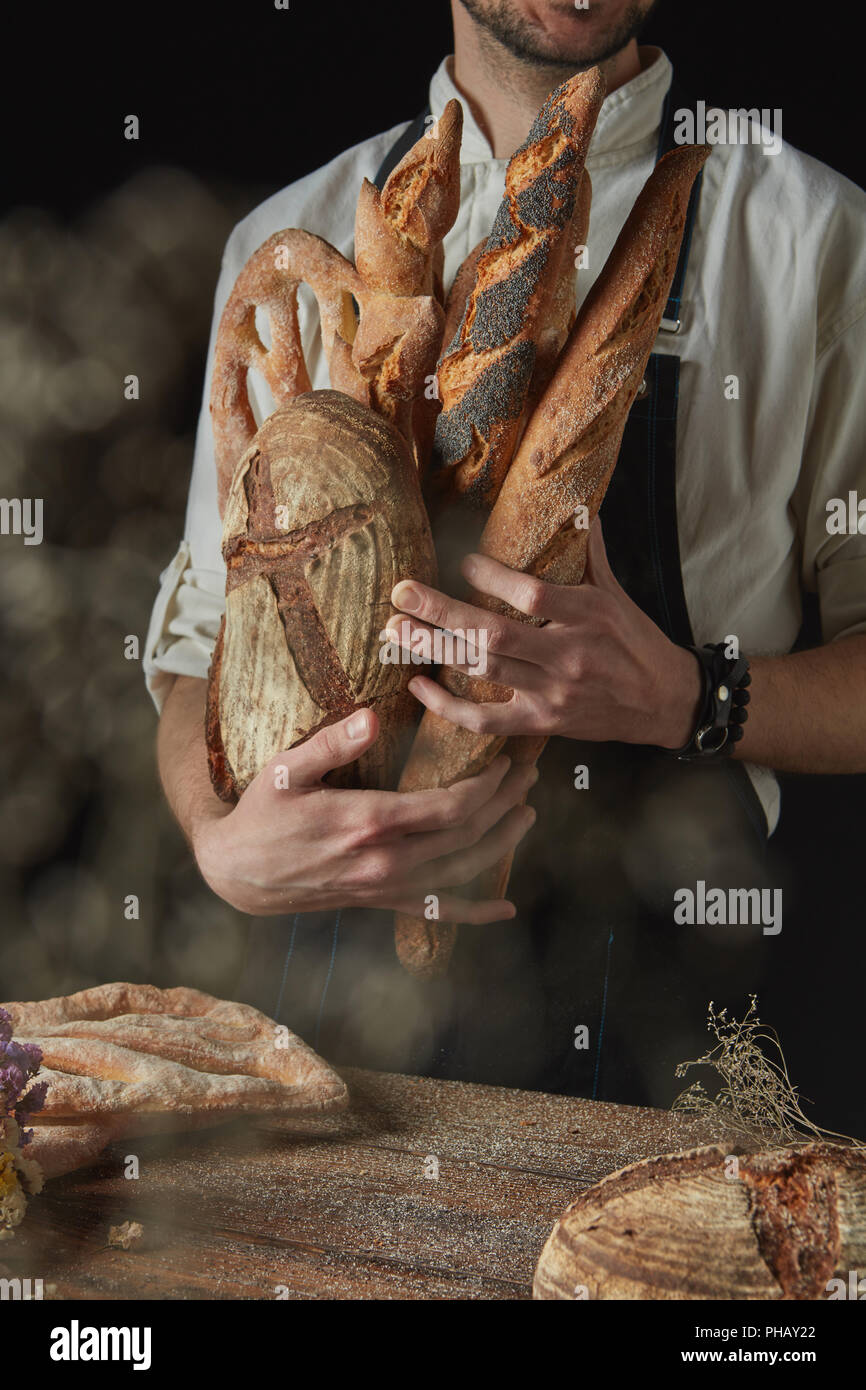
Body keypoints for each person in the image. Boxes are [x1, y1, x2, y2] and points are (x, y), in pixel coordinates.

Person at [144, 0, 866, 1107]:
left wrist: (686, 695)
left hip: (673, 1004)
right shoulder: (287, 240)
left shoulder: (815, 242)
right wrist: (217, 841)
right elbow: (202, 650)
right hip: (325, 1018)